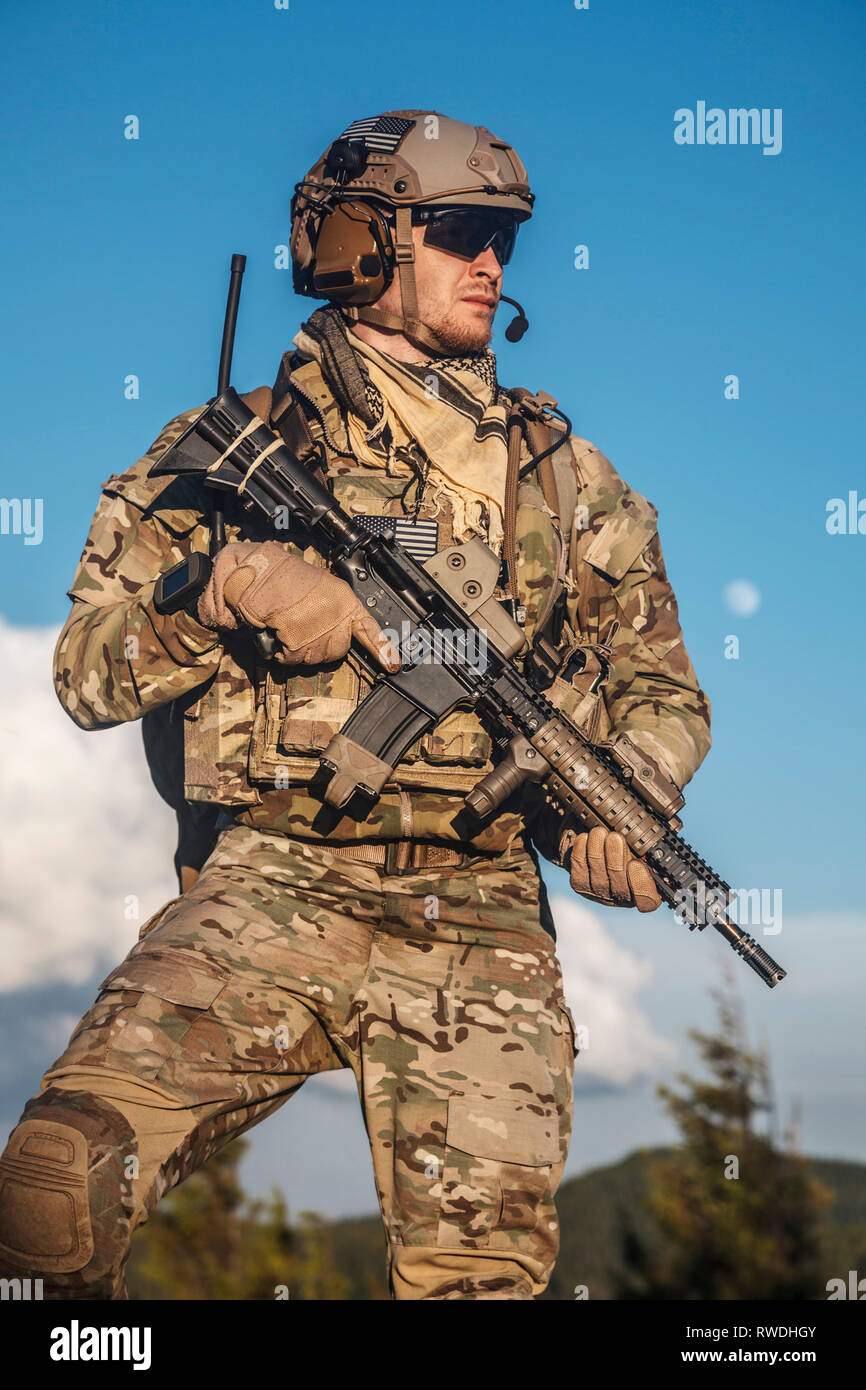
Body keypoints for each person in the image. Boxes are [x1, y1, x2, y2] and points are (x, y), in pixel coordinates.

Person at [0, 110, 710, 1300]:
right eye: (462, 232)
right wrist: (221, 586)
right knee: (53, 1188)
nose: (492, 262)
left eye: (506, 240)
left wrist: (633, 787)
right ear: (358, 244)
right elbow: (84, 673)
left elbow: (660, 687)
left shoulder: (566, 481)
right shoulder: (222, 452)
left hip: (478, 906)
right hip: (274, 880)